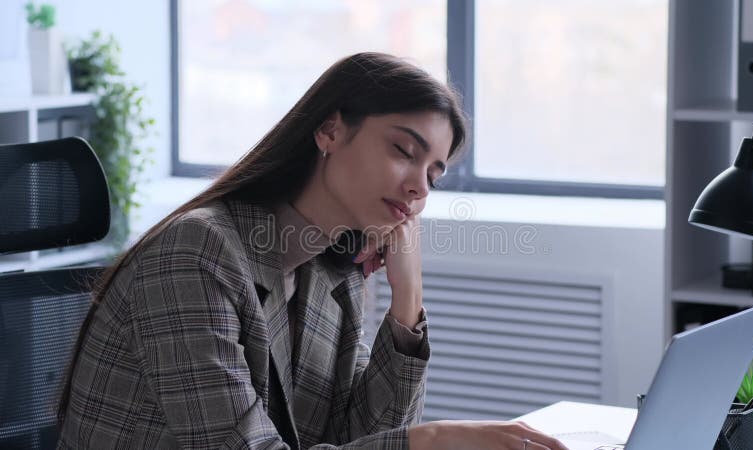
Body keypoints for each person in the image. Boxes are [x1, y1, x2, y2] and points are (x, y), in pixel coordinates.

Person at [56, 52, 567, 450]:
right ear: (330, 129)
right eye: (403, 152)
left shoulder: (331, 273)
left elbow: (358, 436)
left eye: (433, 175)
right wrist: (432, 439)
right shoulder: (197, 253)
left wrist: (407, 298)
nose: (419, 189)